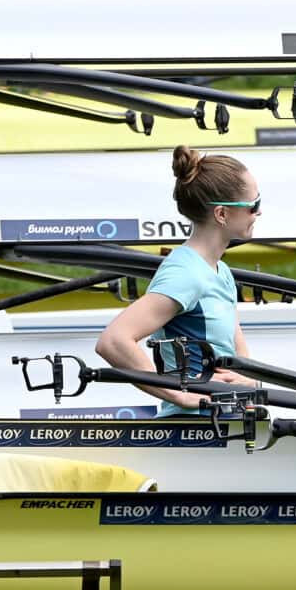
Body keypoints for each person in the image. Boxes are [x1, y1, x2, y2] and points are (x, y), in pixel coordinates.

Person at [96, 145, 258, 418]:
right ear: (222, 214)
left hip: (227, 423)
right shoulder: (185, 274)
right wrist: (178, 394)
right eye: (254, 206)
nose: (259, 213)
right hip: (195, 429)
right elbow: (113, 341)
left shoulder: (222, 271)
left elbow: (236, 351)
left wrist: (248, 381)